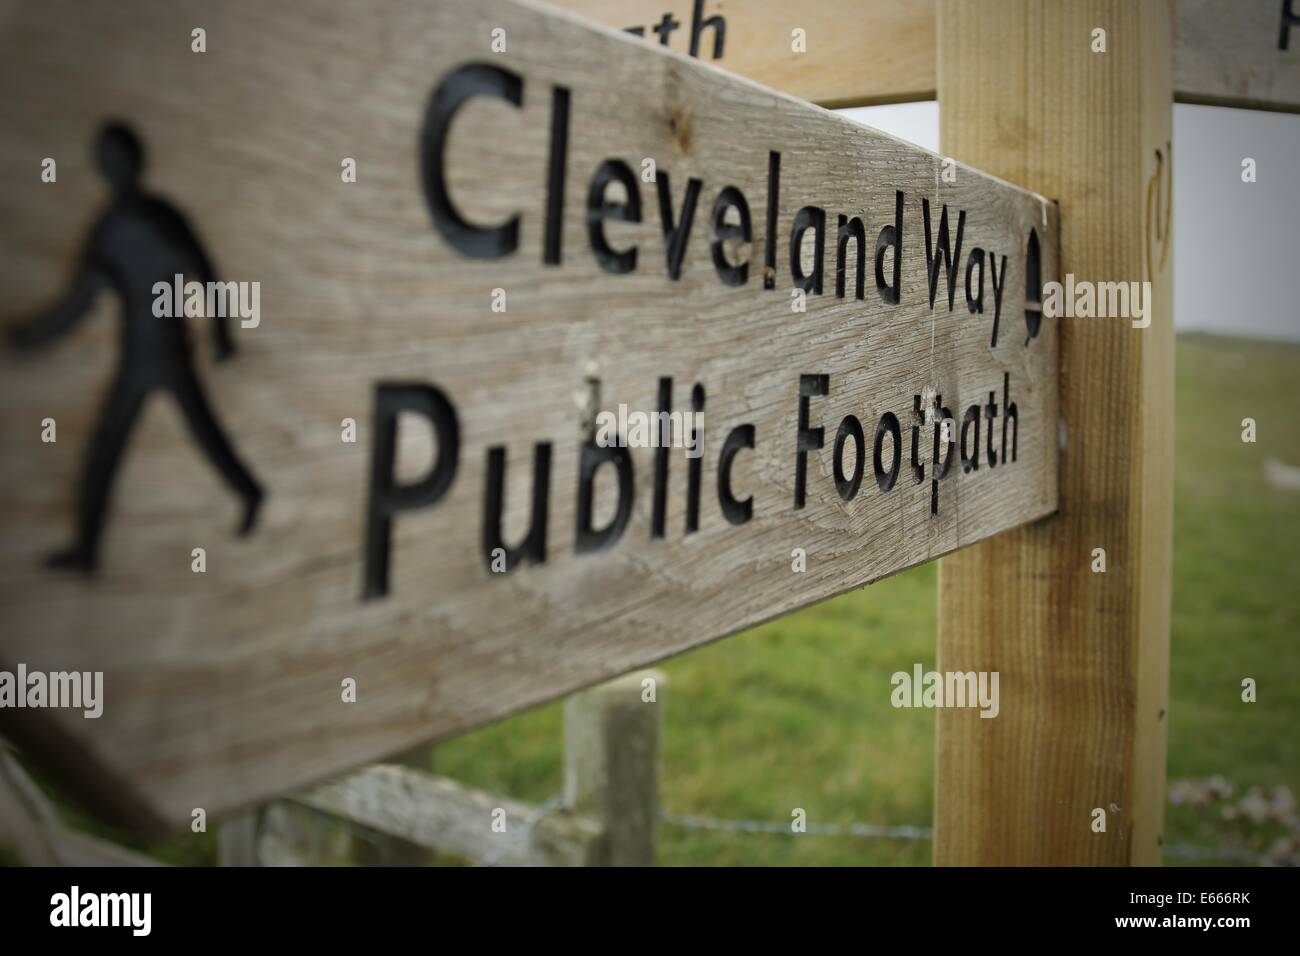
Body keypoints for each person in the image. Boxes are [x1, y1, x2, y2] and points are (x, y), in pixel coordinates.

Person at [8, 121, 263, 573]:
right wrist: (26, 338)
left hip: (162, 352)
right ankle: (88, 549)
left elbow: (197, 274)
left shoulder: (128, 225)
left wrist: (223, 334)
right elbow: (83, 299)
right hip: (144, 355)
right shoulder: (130, 224)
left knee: (189, 435)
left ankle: (247, 493)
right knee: (132, 441)